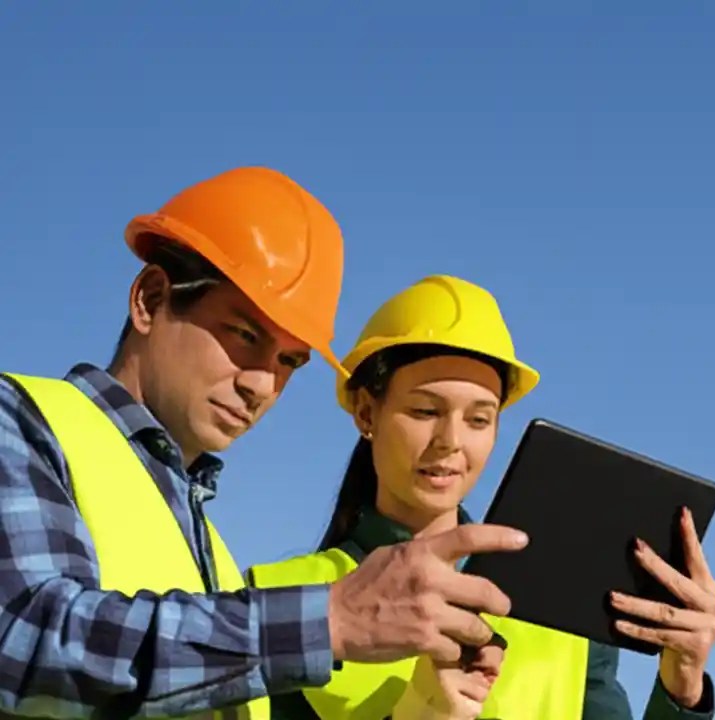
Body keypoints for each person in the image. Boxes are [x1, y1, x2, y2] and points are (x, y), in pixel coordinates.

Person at [0, 168, 531, 719]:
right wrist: (330, 622)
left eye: (288, 361)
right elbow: (24, 632)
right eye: (245, 335)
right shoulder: (21, 419)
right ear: (151, 298)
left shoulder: (219, 567)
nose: (261, 384)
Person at [248, 274, 715, 719]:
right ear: (367, 413)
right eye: (423, 410)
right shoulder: (279, 603)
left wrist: (681, 690)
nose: (450, 440)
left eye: (478, 419)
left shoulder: (565, 613)